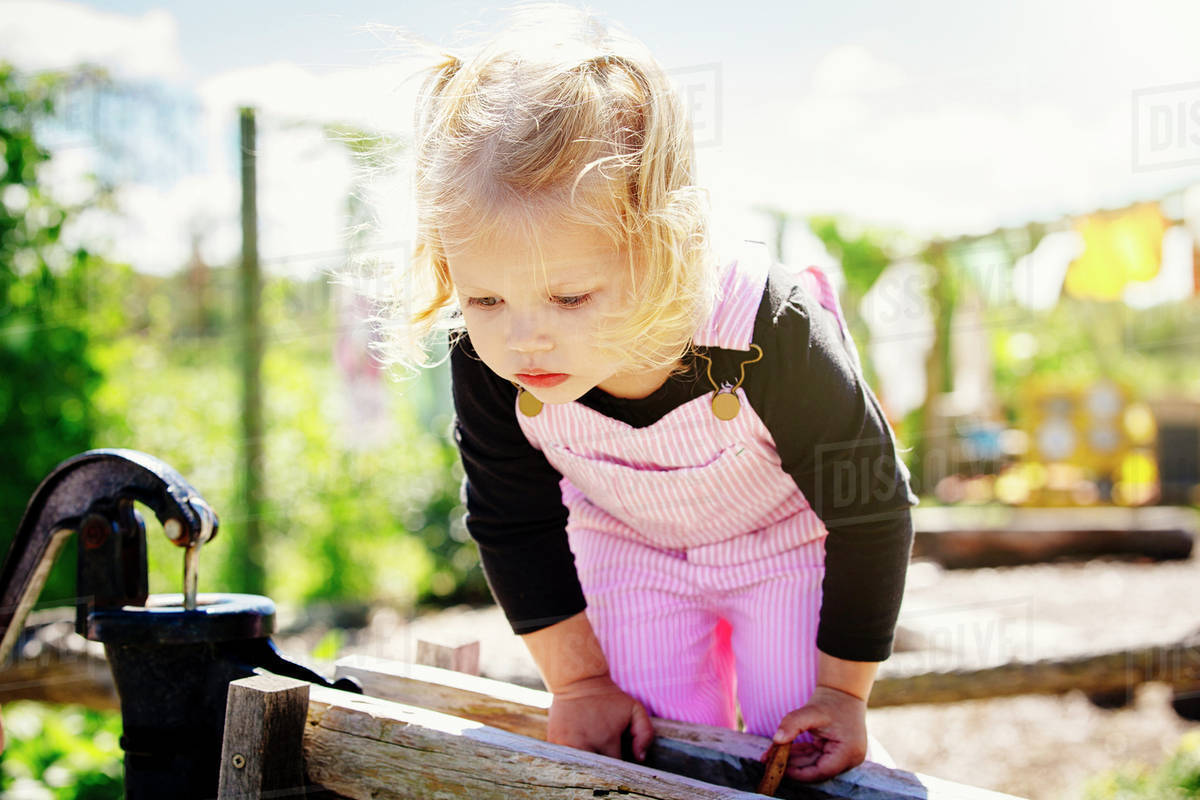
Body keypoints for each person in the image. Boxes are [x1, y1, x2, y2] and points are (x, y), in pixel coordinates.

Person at [375, 2, 918, 783]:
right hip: (630, 551)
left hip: (784, 548)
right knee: (660, 755)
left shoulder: (769, 326)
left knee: (795, 743)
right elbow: (512, 520)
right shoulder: (489, 357)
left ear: (663, 245)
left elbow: (870, 508)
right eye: (486, 298)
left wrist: (843, 693)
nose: (524, 337)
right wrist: (580, 682)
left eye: (568, 299)